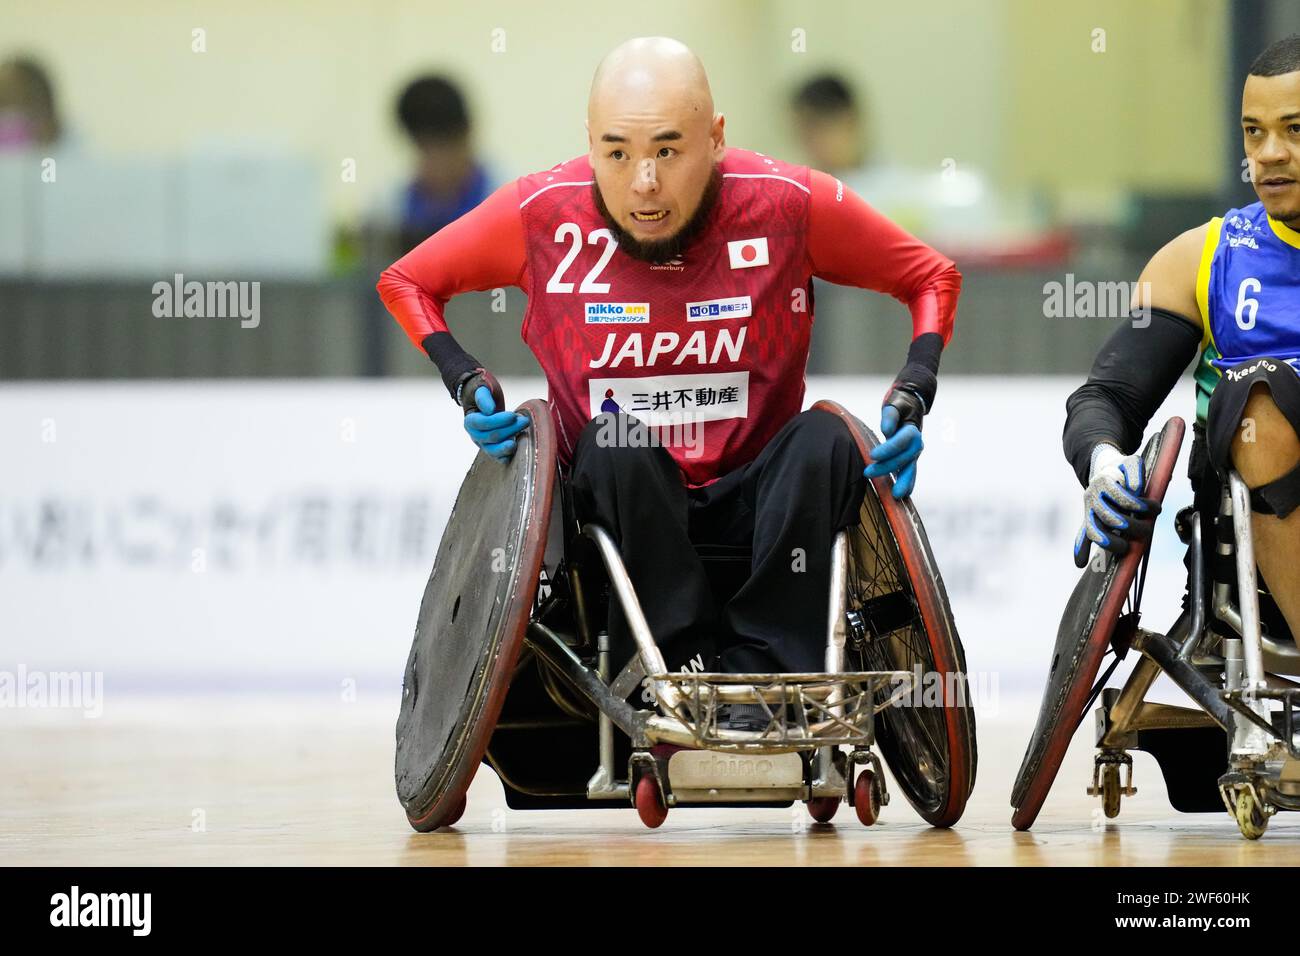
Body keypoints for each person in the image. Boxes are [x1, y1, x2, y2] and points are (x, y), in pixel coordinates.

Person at [378, 37, 961, 708]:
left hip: (755, 498)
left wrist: (914, 387)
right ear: (589, 143)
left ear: (715, 139)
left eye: (667, 149)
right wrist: (465, 379)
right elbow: (408, 280)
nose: (643, 182)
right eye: (617, 153)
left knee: (825, 440)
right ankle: (681, 660)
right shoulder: (541, 212)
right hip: (616, 512)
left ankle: (767, 670)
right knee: (615, 439)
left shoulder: (788, 203)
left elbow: (930, 275)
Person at [1064, 34, 1300, 650]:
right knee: (1260, 395)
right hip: (1252, 558)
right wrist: (1103, 462)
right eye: (1253, 132)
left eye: (1295, 129)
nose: (1269, 155)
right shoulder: (1202, 257)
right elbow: (1105, 398)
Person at [392, 75, 492, 253]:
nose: (439, 165)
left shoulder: (507, 203)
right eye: (426, 149)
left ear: (468, 134)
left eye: (446, 147)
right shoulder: (393, 207)